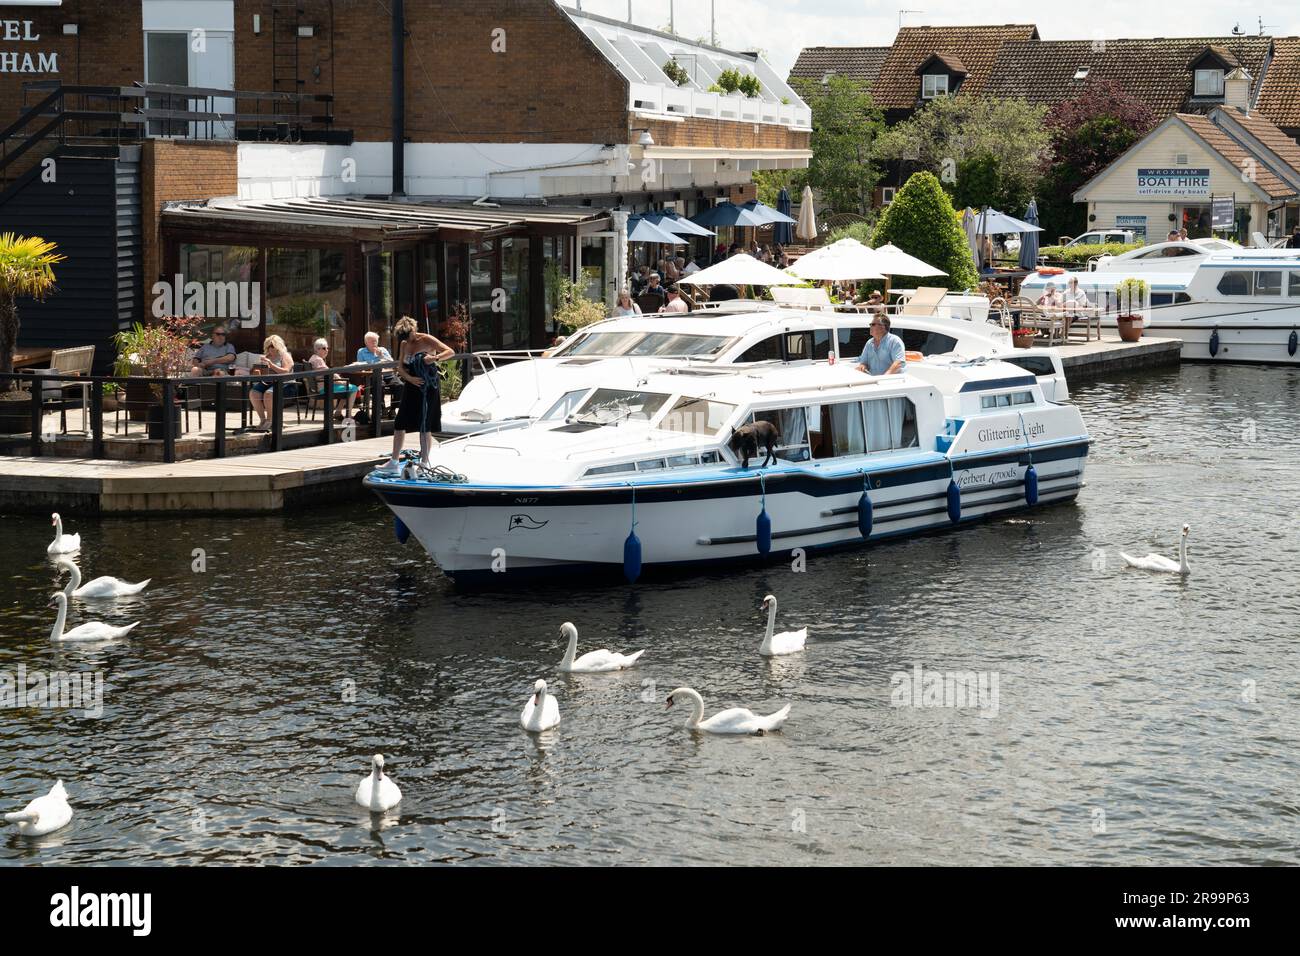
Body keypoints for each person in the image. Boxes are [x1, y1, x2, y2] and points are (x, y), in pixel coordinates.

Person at [375, 316, 455, 473]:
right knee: (400, 422)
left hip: (428, 385)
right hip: (412, 385)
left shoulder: (427, 339)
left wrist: (435, 358)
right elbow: (400, 367)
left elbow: (450, 351)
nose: (406, 339)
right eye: (403, 337)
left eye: (408, 335)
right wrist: (410, 378)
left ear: (413, 330)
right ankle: (394, 461)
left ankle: (424, 463)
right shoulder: (404, 343)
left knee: (425, 424)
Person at [248, 334, 295, 432]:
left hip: (285, 384)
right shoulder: (267, 357)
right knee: (253, 393)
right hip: (269, 382)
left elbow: (286, 371)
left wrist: (271, 365)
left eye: (272, 346)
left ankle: (270, 420)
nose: (270, 349)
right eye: (268, 346)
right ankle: (263, 419)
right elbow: (259, 374)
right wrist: (257, 371)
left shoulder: (284, 355)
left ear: (278, 346)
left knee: (268, 394)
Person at [308, 338, 359, 420]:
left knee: (348, 387)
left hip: (320, 386)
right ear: (317, 349)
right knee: (353, 388)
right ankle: (348, 415)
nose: (327, 350)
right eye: (324, 348)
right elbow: (329, 373)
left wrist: (339, 381)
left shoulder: (313, 358)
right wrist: (340, 381)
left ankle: (338, 412)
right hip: (324, 388)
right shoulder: (318, 360)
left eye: (327, 348)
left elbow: (327, 374)